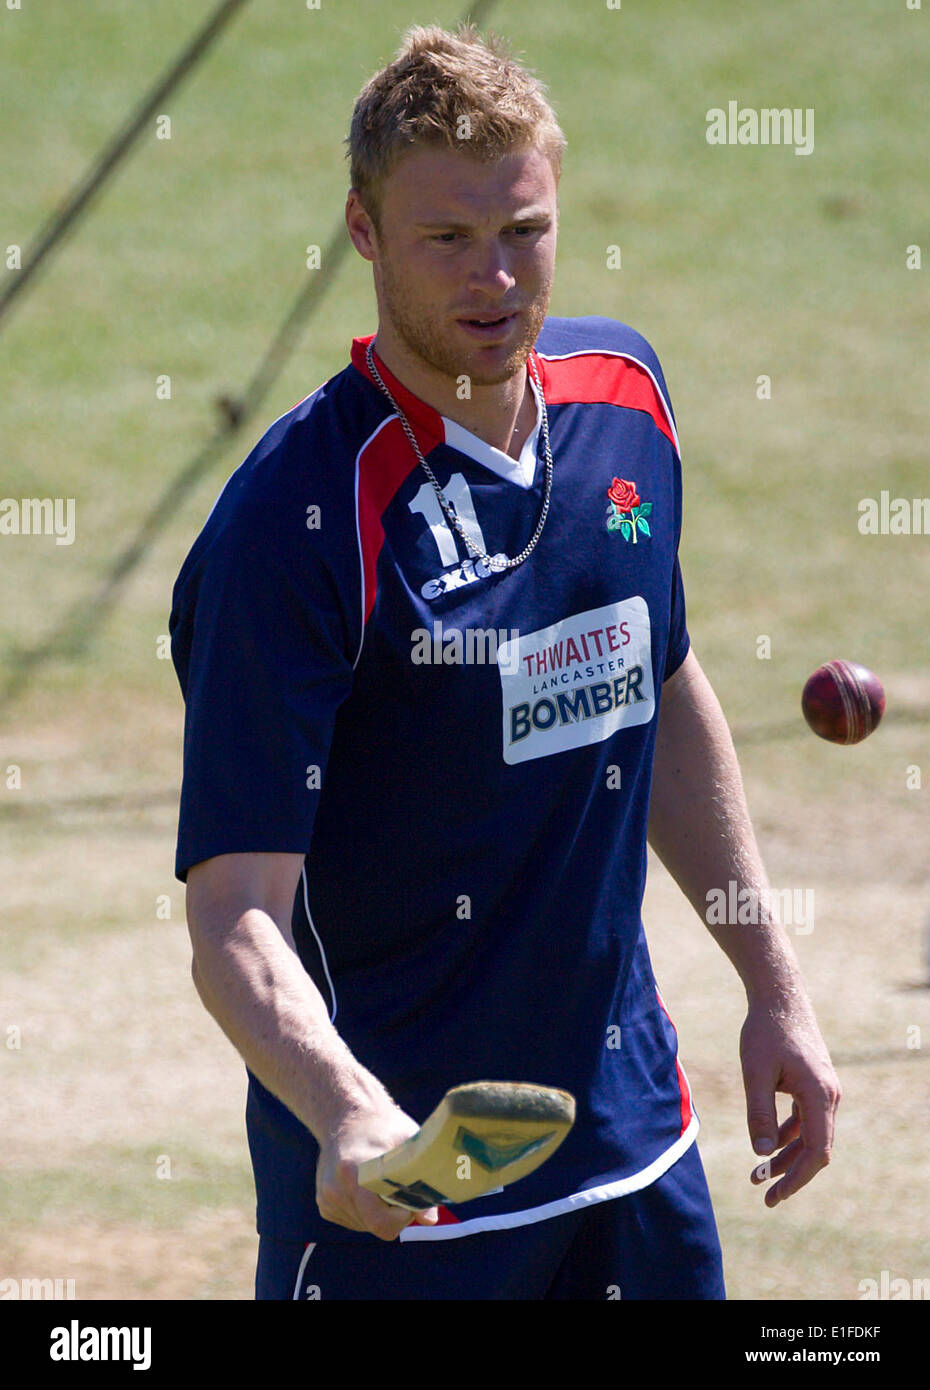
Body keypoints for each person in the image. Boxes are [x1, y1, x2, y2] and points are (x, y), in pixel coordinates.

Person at [169, 24, 840, 1301]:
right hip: (407, 1190)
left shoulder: (624, 395)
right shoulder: (296, 523)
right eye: (447, 239)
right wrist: (351, 1113)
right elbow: (233, 911)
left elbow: (663, 682)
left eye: (523, 230)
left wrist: (772, 985)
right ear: (362, 234)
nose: (495, 279)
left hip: (634, 1145)